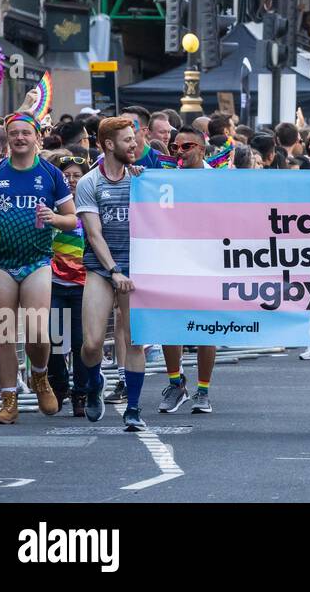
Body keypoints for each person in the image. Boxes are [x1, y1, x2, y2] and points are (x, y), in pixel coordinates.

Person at [0, 112, 79, 425]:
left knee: (37, 330)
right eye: (14, 133)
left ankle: (40, 377)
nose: (19, 138)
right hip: (2, 261)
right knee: (5, 333)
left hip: (37, 261)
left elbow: (72, 218)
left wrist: (54, 219)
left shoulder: (51, 175)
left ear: (36, 138)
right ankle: (8, 402)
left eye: (25, 133)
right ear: (8, 138)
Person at [74, 117, 146, 429]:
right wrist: (114, 270)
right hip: (102, 270)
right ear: (108, 145)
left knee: (135, 342)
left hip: (138, 269)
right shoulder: (90, 182)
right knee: (91, 344)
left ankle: (133, 409)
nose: (134, 144)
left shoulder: (142, 180)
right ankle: (94, 384)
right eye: (128, 140)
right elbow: (93, 234)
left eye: (135, 138)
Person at [159, 126, 218, 414]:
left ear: (202, 149)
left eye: (186, 147)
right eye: (175, 147)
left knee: (208, 327)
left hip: (209, 262)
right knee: (171, 323)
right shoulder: (162, 179)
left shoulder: (219, 180)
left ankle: (203, 390)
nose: (179, 152)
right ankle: (175, 384)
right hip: (173, 260)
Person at [45, 151, 91, 416]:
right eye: (67, 176)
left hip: (83, 284)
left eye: (77, 176)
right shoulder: (49, 205)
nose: (72, 181)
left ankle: (81, 394)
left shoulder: (90, 207)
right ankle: (59, 385)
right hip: (51, 281)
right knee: (50, 338)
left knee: (80, 341)